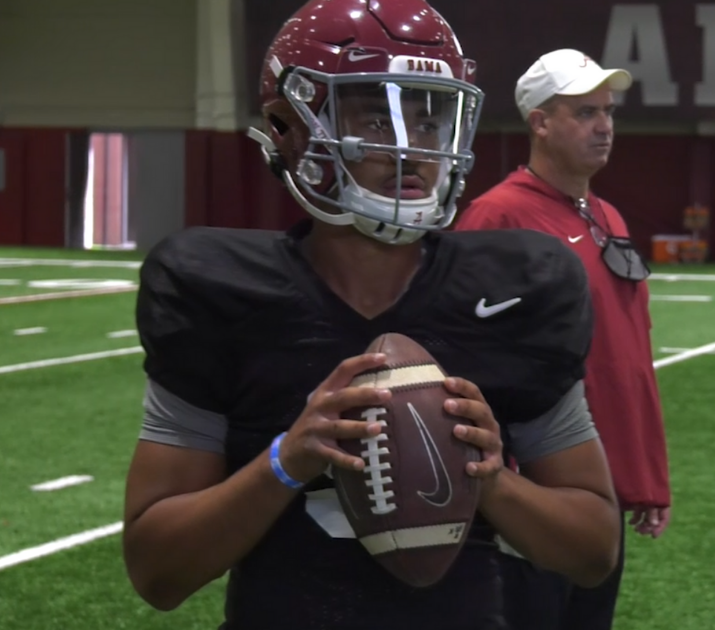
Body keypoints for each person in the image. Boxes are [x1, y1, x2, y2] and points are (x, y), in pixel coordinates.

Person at [119, 4, 621, 629]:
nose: (411, 146)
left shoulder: (515, 289)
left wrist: (490, 482)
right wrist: (288, 460)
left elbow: (595, 549)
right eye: (376, 114)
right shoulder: (219, 291)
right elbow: (157, 572)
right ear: (289, 126)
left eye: (429, 116)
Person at [452, 49, 672, 630]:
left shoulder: (609, 217)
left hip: (599, 496)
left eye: (608, 112)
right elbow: (459, 357)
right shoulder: (496, 218)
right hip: (537, 496)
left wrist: (644, 475)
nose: (603, 127)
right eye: (583, 113)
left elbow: (629, 358)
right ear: (540, 123)